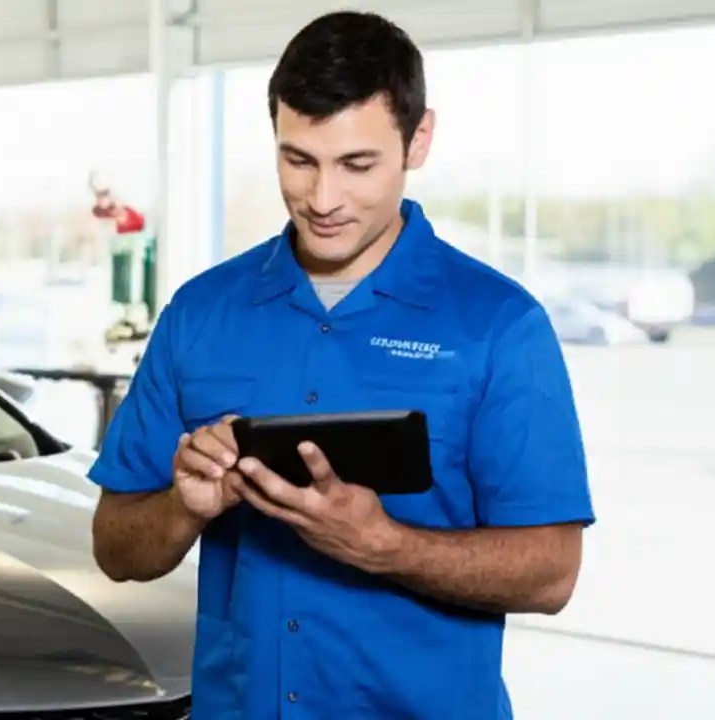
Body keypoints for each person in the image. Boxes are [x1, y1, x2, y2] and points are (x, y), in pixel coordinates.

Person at [86, 10, 594, 720]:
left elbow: (550, 573)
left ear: (418, 140)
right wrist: (183, 509)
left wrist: (383, 545)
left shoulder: (499, 327)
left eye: (357, 164)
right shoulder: (199, 314)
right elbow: (116, 547)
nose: (322, 200)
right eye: (298, 160)